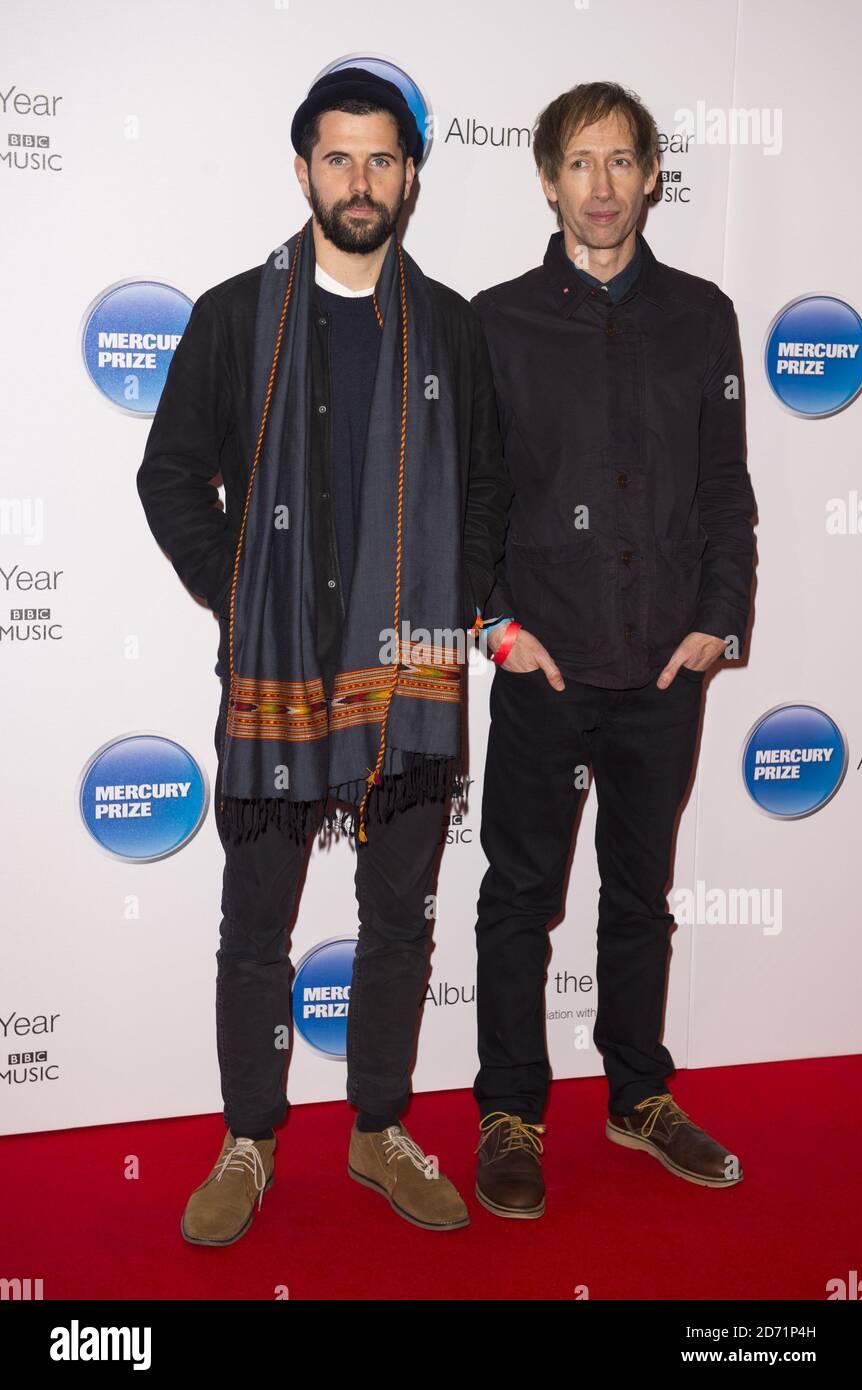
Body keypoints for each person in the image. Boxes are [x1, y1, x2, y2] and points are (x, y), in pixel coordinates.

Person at [136, 68, 512, 1243]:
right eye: (338, 158)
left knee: (399, 915)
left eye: (381, 159)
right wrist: (238, 588)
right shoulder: (234, 315)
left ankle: (376, 1128)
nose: (360, 181)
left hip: (409, 674)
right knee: (256, 920)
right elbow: (168, 476)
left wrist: (450, 605)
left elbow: (489, 485)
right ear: (302, 169)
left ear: (410, 175)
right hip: (276, 672)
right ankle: (249, 1135)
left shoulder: (449, 322)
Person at [469, 81, 757, 1219]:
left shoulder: (702, 314)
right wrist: (493, 623)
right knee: (516, 897)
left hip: (659, 667)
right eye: (577, 163)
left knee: (640, 896)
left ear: (649, 176)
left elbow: (727, 485)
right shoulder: (493, 320)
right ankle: (507, 1110)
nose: (599, 185)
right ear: (546, 178)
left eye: (620, 161)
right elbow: (471, 496)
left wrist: (716, 620)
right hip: (542, 662)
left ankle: (636, 1095)